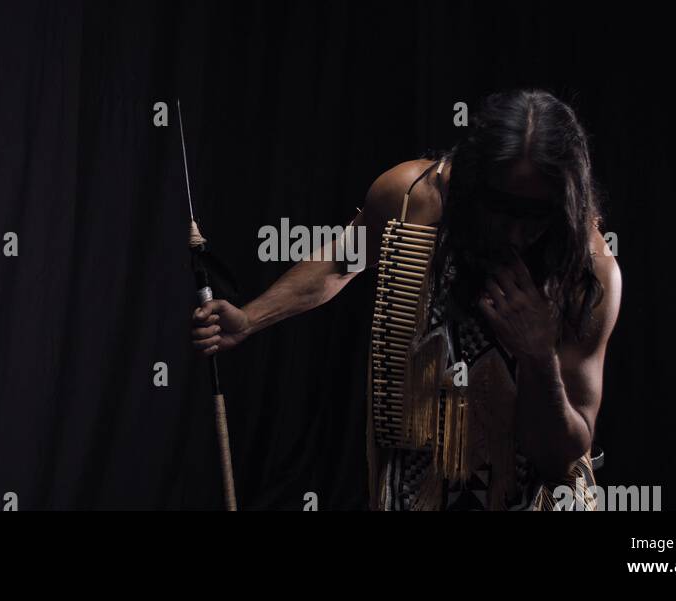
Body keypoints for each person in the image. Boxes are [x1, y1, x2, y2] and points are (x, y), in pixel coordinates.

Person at [191, 90, 622, 510]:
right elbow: (343, 260)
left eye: (536, 213)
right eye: (501, 206)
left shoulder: (591, 273)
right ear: (473, 179)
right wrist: (250, 318)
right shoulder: (410, 196)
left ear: (565, 199)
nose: (513, 231)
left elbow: (558, 457)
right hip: (421, 481)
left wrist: (538, 356)